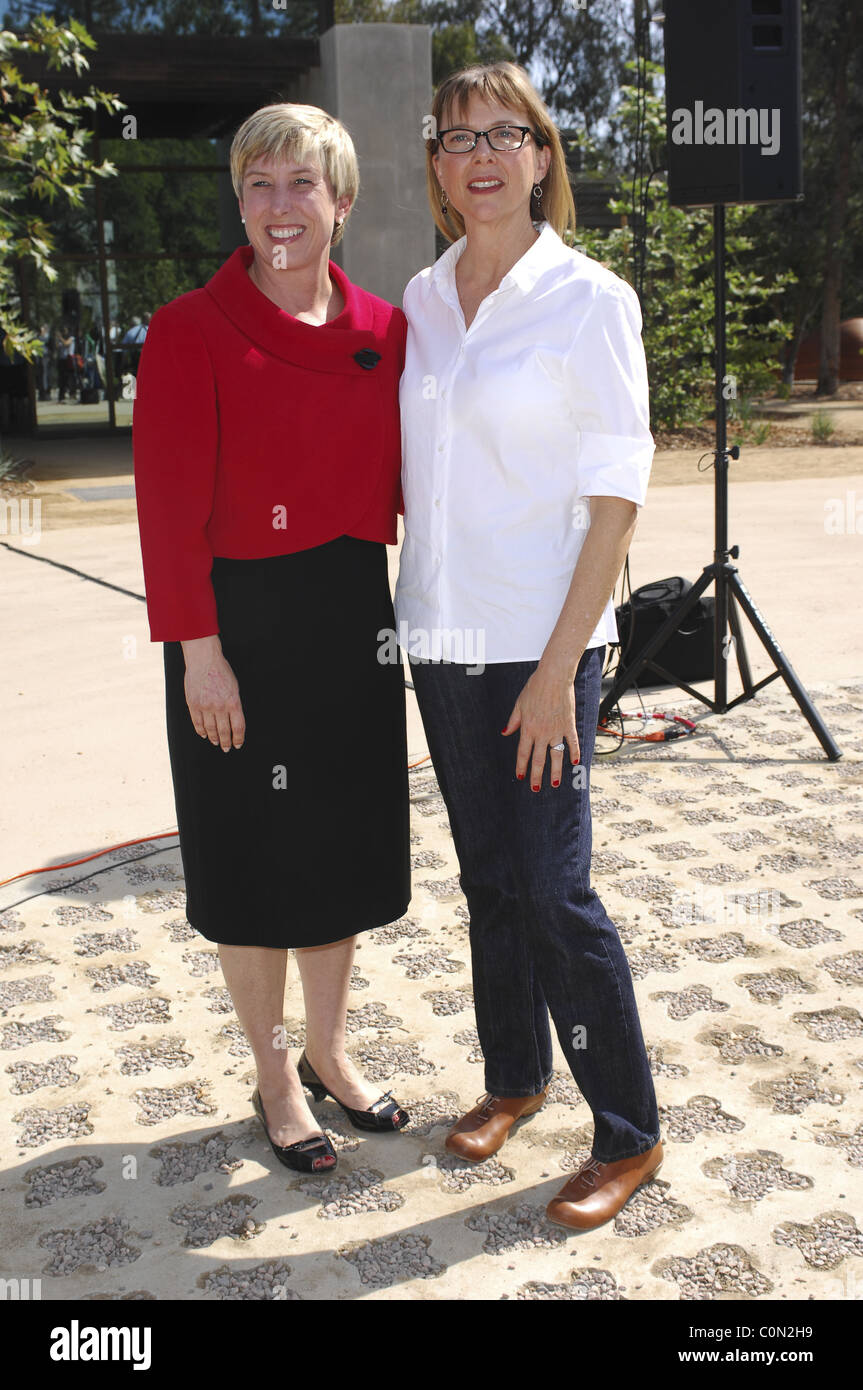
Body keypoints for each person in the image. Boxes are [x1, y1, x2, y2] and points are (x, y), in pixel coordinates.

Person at [396, 61, 663, 1232]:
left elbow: (614, 497)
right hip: (441, 632)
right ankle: (513, 1076)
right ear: (439, 169)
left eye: (507, 133)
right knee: (488, 882)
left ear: (543, 156)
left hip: (544, 645)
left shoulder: (589, 299)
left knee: (556, 889)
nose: (483, 154)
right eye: (458, 138)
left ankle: (628, 1129)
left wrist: (561, 669)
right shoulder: (419, 294)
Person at [133, 103, 411, 1175]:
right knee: (250, 855)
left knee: (336, 841)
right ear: (238, 203)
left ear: (341, 204)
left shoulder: (386, 332)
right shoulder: (186, 330)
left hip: (348, 611)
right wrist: (198, 652)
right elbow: (165, 511)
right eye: (258, 184)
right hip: (234, 628)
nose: (279, 206)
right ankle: (272, 1071)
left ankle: (334, 1052)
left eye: (302, 184)